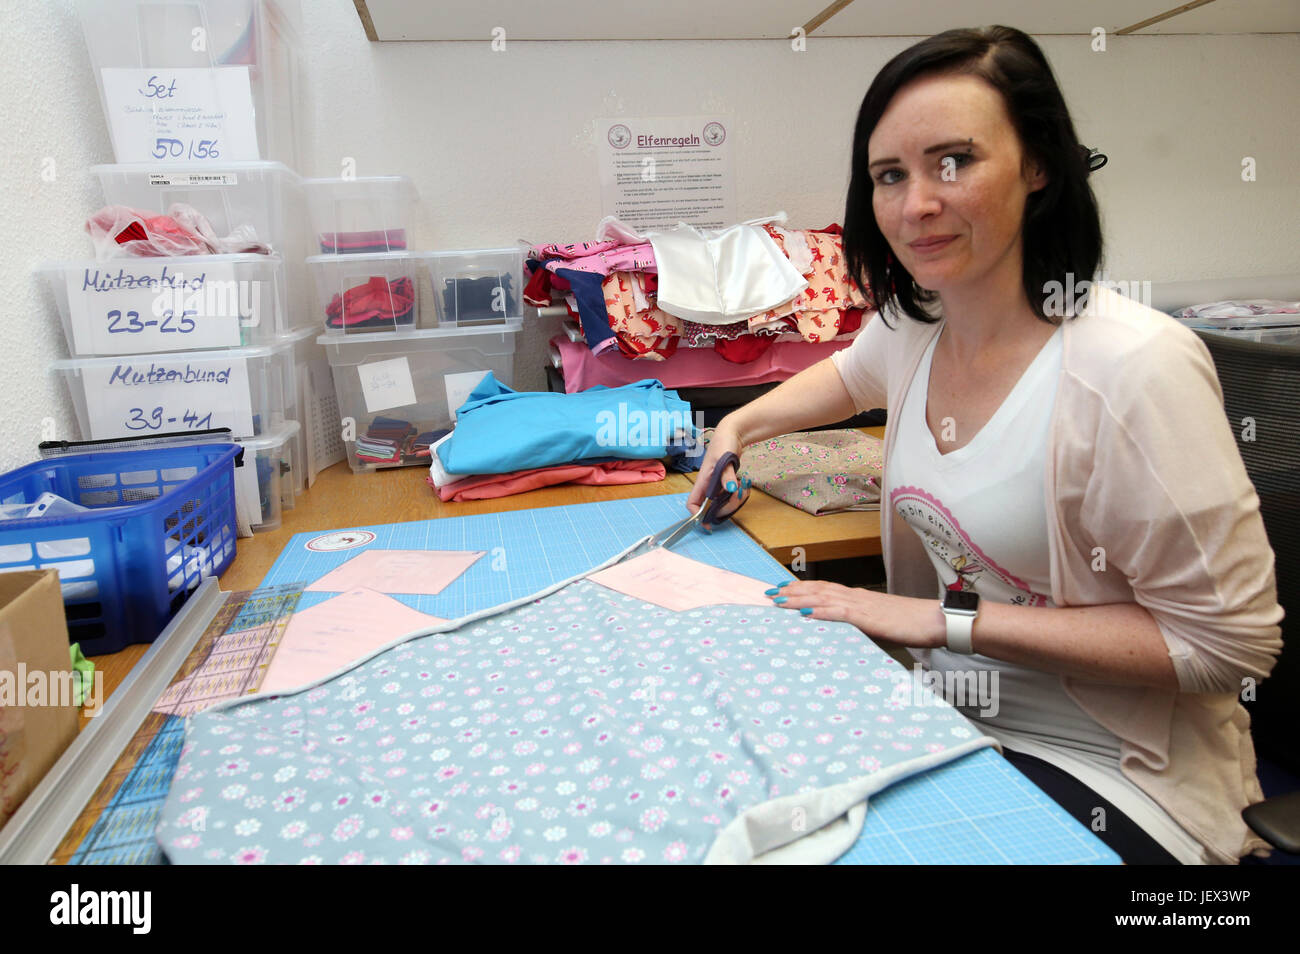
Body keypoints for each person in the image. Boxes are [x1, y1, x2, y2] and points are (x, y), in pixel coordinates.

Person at [687, 25, 1283, 865]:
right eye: (889, 175)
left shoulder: (1134, 367)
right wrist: (739, 428)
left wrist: (940, 621)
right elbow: (845, 380)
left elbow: (1229, 648)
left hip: (1119, 770)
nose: (914, 203)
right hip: (945, 716)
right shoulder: (916, 326)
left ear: (1040, 165)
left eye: (954, 162)